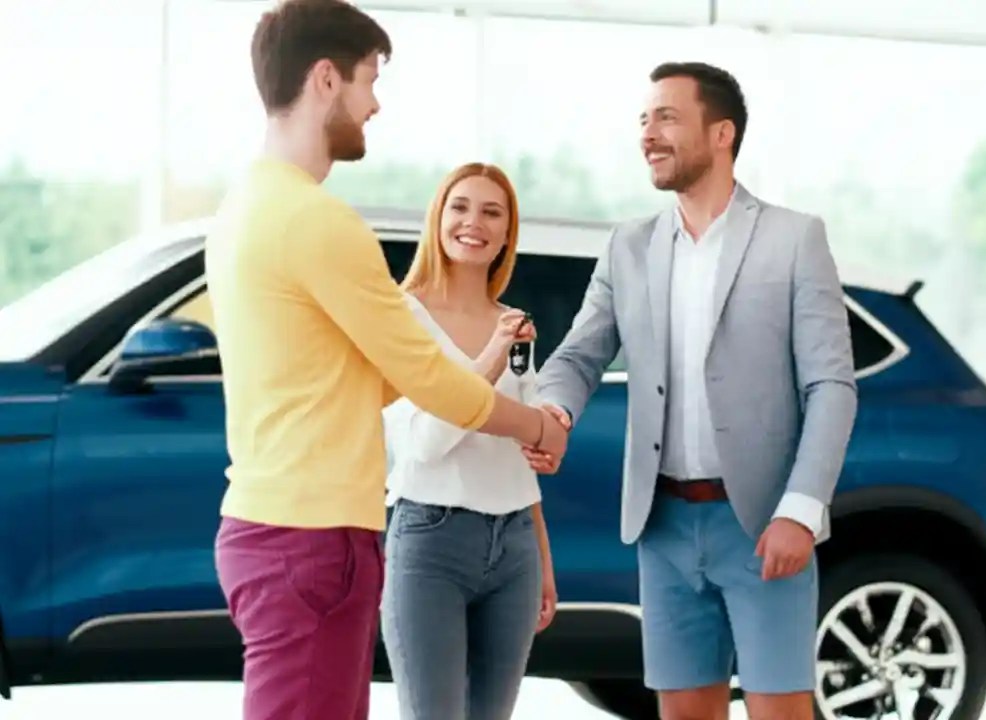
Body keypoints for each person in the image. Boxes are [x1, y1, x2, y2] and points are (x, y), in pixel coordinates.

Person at [204, 3, 566, 719]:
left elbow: (350, 383)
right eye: (371, 79)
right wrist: (537, 426)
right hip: (309, 540)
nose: (376, 102)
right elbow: (426, 380)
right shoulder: (317, 220)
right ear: (326, 78)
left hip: (283, 531)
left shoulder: (245, 206)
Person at [531, 61, 857, 720]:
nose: (648, 133)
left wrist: (800, 509)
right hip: (664, 526)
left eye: (667, 118)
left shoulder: (795, 239)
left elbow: (831, 385)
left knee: (780, 714)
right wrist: (550, 409)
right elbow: (580, 353)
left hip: (763, 523)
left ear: (721, 134)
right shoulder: (629, 245)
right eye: (643, 120)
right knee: (681, 714)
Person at [379, 163, 557, 720]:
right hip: (430, 541)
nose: (472, 222)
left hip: (514, 549)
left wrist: (543, 559)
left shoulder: (515, 323)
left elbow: (521, 458)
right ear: (438, 218)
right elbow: (426, 445)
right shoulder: (402, 317)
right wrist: (490, 359)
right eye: (460, 207)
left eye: (491, 211)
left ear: (507, 233)